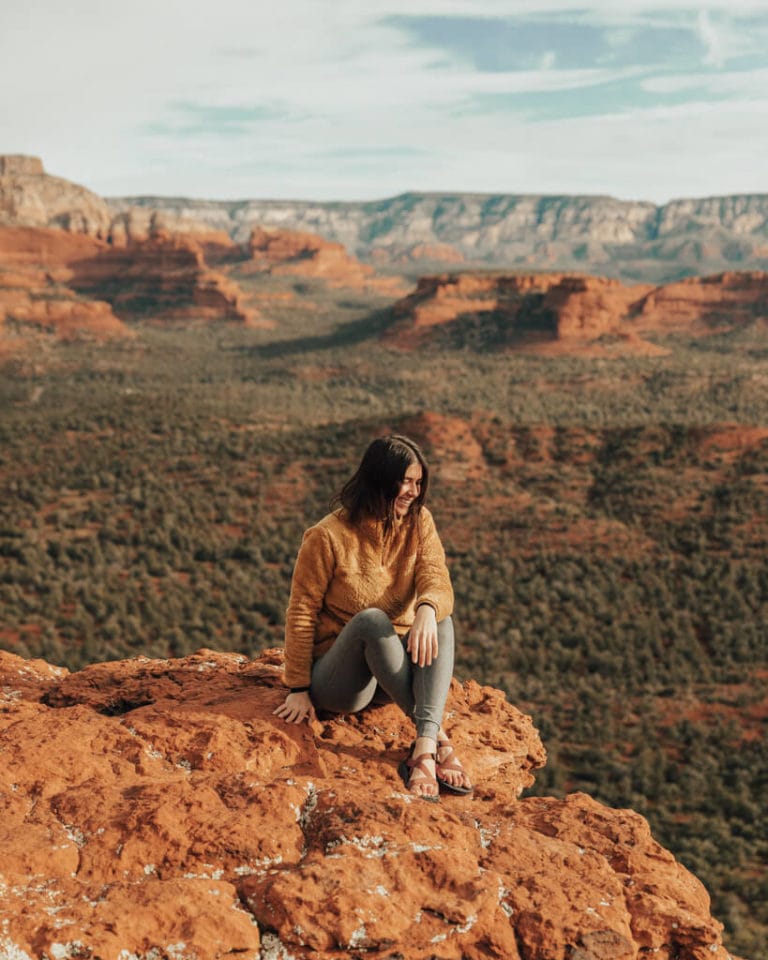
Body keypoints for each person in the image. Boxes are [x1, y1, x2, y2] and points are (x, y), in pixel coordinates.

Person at [273, 434, 472, 801]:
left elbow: (436, 579)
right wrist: (298, 687)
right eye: (406, 482)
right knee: (371, 621)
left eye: (419, 482)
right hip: (342, 681)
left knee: (441, 619)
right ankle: (437, 739)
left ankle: (424, 747)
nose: (414, 491)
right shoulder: (327, 536)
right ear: (380, 479)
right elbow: (301, 610)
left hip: (390, 676)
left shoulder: (419, 522)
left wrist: (427, 608)